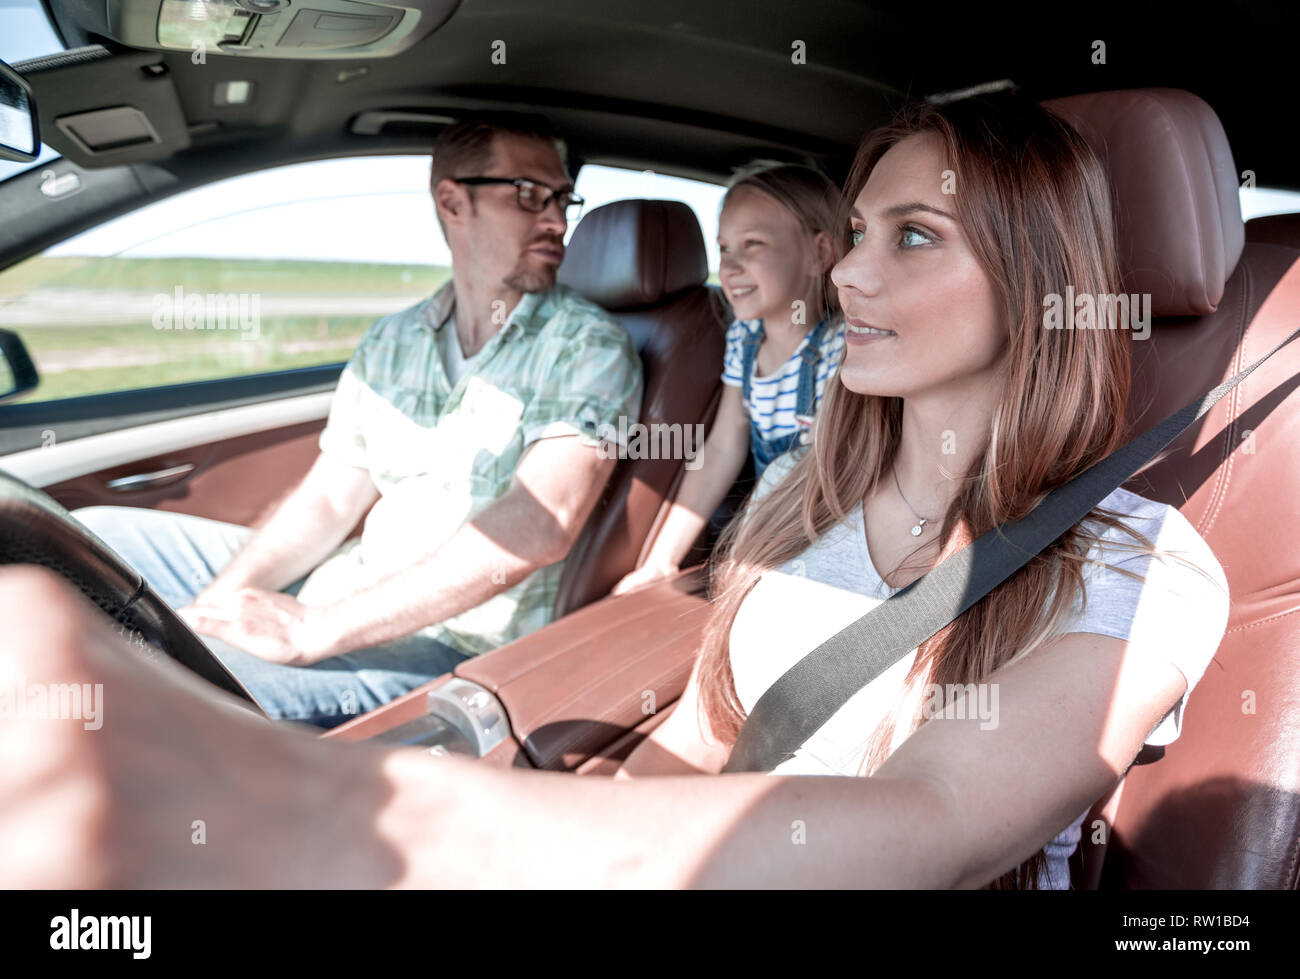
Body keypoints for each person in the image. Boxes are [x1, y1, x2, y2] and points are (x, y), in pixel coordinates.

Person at [0, 92, 1229, 889]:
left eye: (912, 236)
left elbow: (937, 824)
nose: (848, 273)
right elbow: (701, 746)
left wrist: (346, 814)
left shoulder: (1138, 565)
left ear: (1034, 274)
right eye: (852, 232)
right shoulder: (799, 511)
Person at [70, 113, 644, 728]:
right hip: (347, 582)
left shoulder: (589, 345)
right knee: (89, 538)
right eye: (531, 195)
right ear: (453, 202)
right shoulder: (394, 339)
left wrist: (317, 630)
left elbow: (541, 524)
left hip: (451, 640)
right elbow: (328, 499)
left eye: (564, 199)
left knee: (152, 684)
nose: (558, 221)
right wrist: (220, 602)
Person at [613, 163, 845, 595]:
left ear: (820, 253)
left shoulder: (840, 348)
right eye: (723, 248)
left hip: (821, 536)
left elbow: (823, 476)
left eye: (752, 244)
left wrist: (751, 561)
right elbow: (722, 446)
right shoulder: (745, 338)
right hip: (770, 530)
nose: (730, 266)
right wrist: (661, 560)